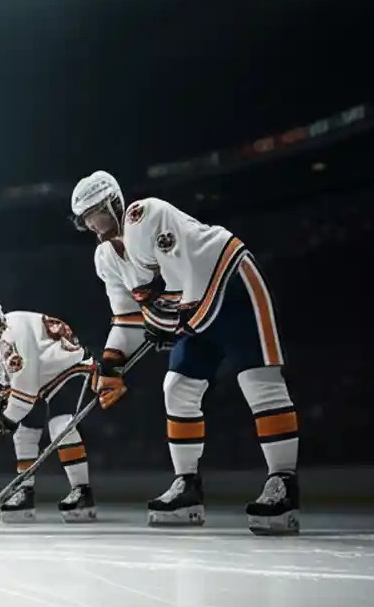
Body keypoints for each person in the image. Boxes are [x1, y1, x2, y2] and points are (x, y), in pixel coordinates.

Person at [70, 170, 300, 535]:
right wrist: (112, 366)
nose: (96, 227)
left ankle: (283, 482)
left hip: (231, 286)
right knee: (176, 388)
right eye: (87, 222)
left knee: (259, 382)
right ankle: (187, 487)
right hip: (193, 314)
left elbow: (185, 280)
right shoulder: (107, 259)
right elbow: (128, 319)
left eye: (98, 215)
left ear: (115, 204)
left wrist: (164, 324)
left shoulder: (146, 216)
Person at [0, 298, 97, 523]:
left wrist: (3, 423)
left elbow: (24, 390)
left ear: (0, 318)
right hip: (43, 382)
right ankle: (24, 491)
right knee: (24, 433)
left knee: (61, 427)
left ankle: (82, 491)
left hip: (68, 370)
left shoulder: (16, 331)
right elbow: (11, 386)